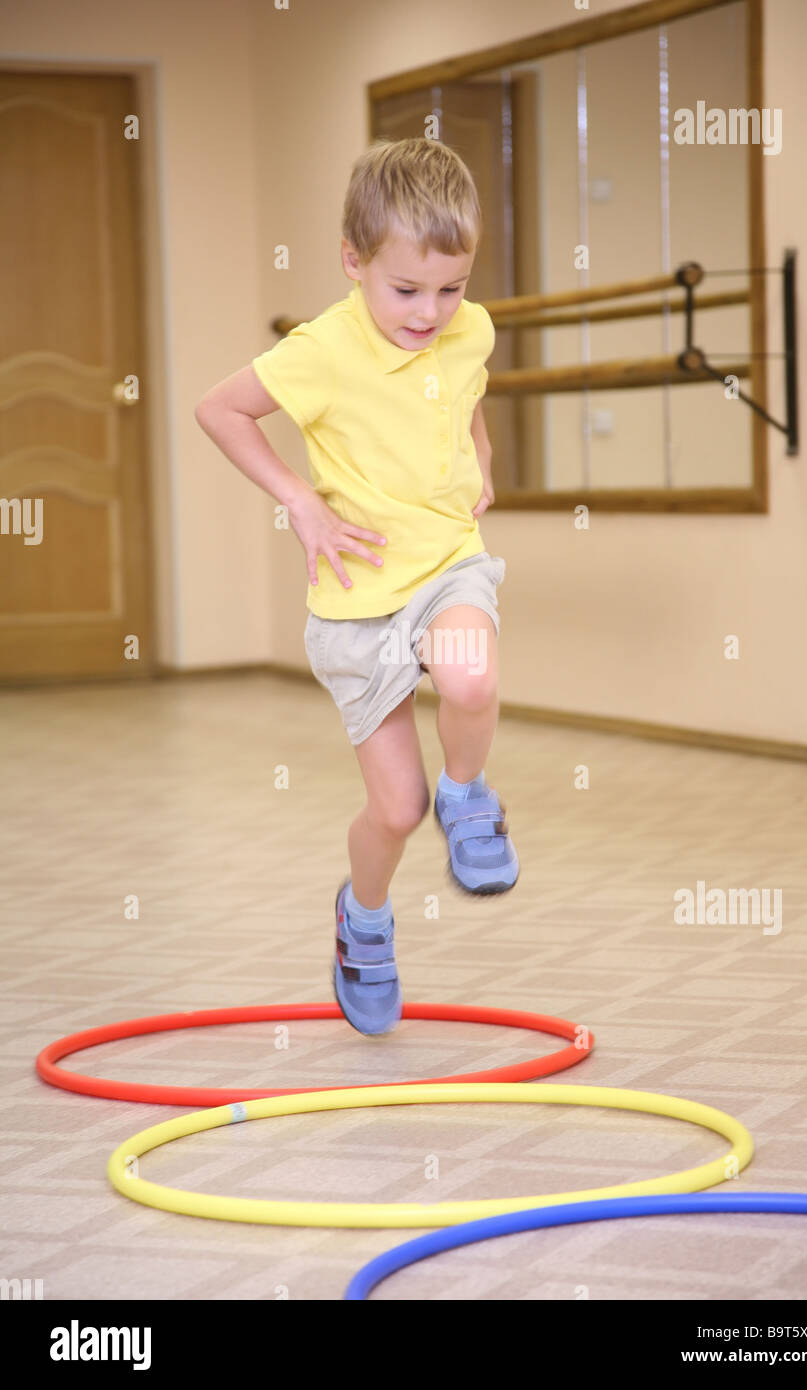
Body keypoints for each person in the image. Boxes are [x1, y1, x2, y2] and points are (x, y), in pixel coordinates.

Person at [195, 136, 518, 1037]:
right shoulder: (321, 350)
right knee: (395, 809)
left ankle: (471, 794)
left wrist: (480, 457)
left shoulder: (471, 329)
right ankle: (364, 923)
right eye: (406, 290)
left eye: (451, 288)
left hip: (447, 560)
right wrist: (299, 500)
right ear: (353, 261)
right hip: (356, 596)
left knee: (472, 680)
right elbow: (218, 410)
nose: (432, 312)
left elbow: (470, 389)